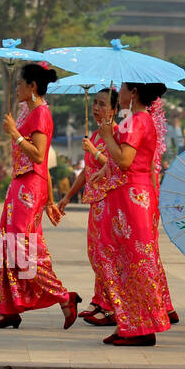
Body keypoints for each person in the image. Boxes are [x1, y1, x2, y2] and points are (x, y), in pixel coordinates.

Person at [0, 62, 81, 330]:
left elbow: (39, 155)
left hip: (29, 187)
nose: (16, 88)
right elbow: (44, 166)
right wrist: (50, 200)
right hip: (22, 185)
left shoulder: (41, 114)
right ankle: (9, 308)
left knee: (20, 246)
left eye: (19, 83)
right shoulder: (32, 112)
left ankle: (63, 296)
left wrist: (14, 133)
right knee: (10, 241)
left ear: (32, 86)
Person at [85, 81, 174, 346]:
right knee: (122, 260)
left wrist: (109, 137)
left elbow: (125, 160)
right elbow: (121, 160)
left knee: (133, 261)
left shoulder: (138, 121)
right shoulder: (135, 120)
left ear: (134, 93)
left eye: (122, 88)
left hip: (133, 199)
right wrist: (104, 169)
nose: (118, 93)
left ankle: (142, 328)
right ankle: (130, 323)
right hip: (128, 196)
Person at [51, 88, 123, 327]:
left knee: (105, 254)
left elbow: (118, 165)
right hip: (95, 201)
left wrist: (95, 152)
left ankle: (113, 305)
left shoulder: (115, 134)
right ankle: (100, 300)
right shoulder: (95, 136)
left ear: (114, 110)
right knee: (95, 252)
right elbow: (87, 171)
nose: (96, 108)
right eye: (95, 103)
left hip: (110, 200)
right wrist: (68, 196)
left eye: (102, 104)